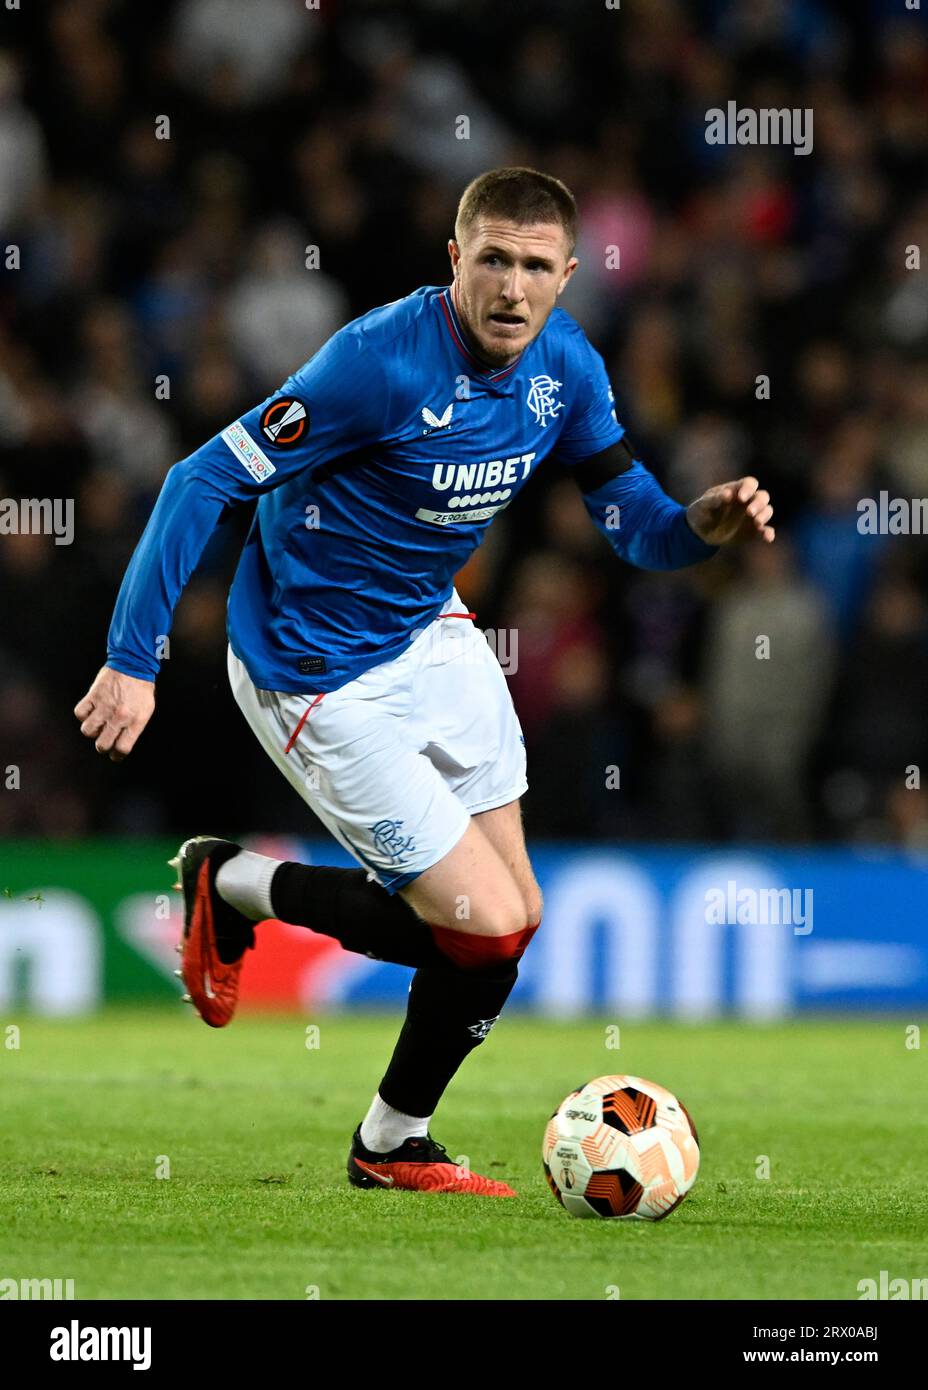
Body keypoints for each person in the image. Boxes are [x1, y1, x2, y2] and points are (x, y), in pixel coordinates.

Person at [74, 167, 774, 1196]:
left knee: (508, 924)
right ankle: (384, 1135)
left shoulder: (566, 370)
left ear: (567, 277)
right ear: (456, 259)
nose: (511, 286)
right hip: (311, 668)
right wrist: (133, 658)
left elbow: (630, 520)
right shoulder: (376, 363)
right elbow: (200, 479)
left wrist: (694, 530)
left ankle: (243, 901)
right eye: (492, 257)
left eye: (536, 266)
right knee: (481, 932)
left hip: (431, 633)